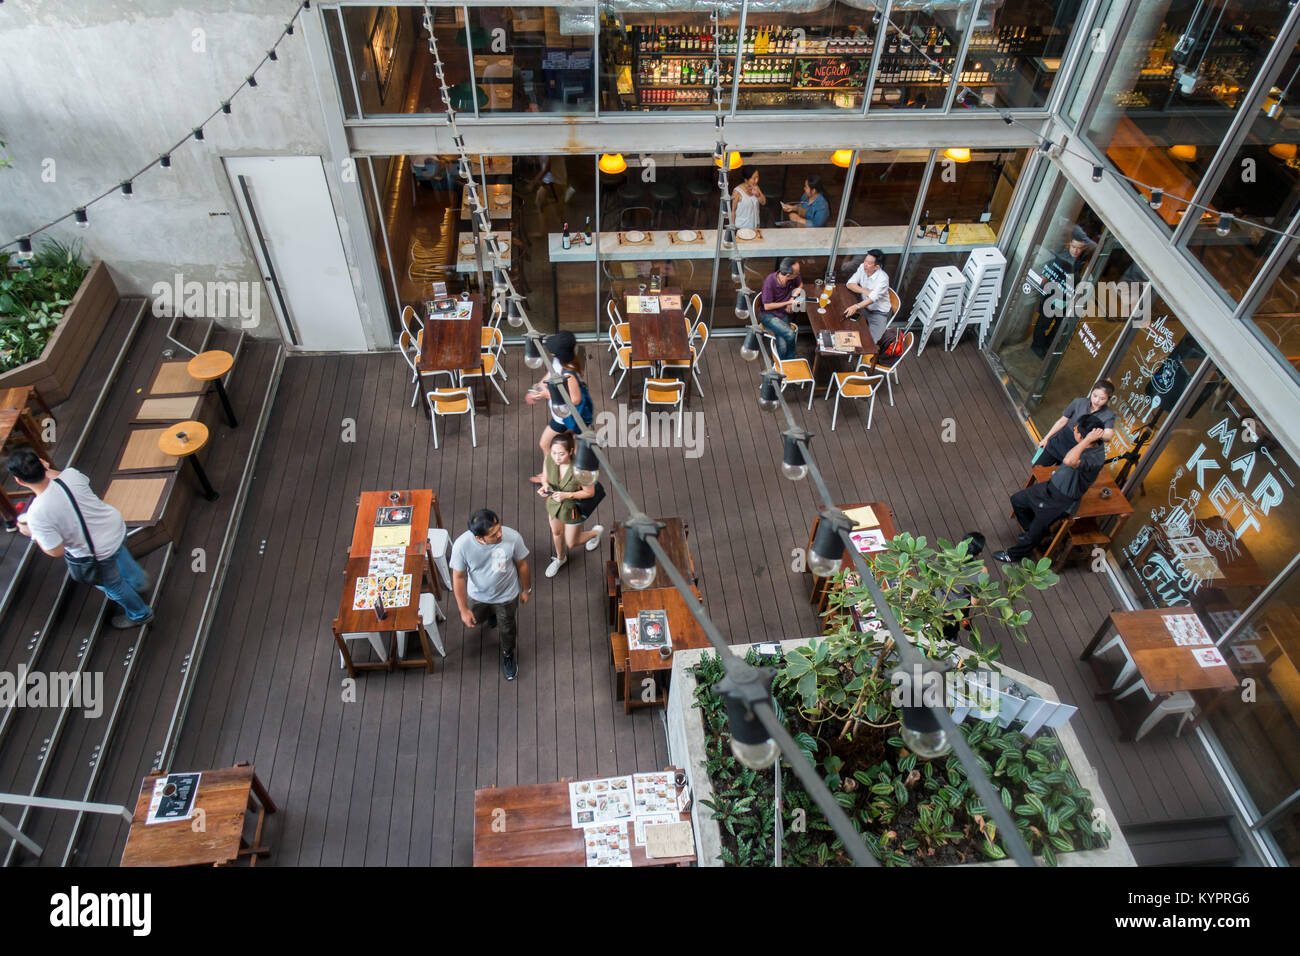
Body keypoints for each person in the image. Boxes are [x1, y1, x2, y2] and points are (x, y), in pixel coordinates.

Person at [7, 449, 153, 629]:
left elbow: (56, 550)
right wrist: (46, 470)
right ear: (42, 464)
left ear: (19, 480)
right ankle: (139, 581)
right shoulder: (71, 475)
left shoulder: (36, 514)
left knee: (113, 586)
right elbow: (61, 481)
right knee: (120, 552)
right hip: (115, 527)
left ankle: (140, 614)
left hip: (97, 552)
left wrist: (33, 534)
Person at [994, 415, 1108, 564]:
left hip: (1062, 499)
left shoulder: (1094, 457)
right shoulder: (1087, 444)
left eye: (1075, 429)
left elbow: (1069, 461)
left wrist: (1086, 440)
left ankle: (1014, 555)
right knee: (1017, 500)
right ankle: (1034, 534)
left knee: (1036, 529)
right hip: (1052, 486)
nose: (1073, 429)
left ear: (1081, 436)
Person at [450, 508, 532, 680]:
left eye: (499, 528)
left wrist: (526, 589)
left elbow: (522, 565)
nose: (500, 535)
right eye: (493, 534)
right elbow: (458, 577)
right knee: (477, 619)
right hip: (477, 596)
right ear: (479, 538)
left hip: (506, 596)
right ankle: (491, 615)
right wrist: (463, 609)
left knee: (507, 628)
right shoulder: (462, 546)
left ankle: (508, 653)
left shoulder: (513, 537)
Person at [526, 330, 592, 485]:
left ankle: (549, 475)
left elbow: (575, 400)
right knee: (574, 442)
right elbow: (549, 376)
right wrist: (537, 388)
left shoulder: (569, 374)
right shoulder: (558, 361)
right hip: (566, 416)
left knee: (545, 444)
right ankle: (578, 470)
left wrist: (547, 395)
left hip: (564, 417)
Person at [538, 431, 604, 578]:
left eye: (561, 454)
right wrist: (545, 486)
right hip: (554, 504)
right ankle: (561, 558)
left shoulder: (581, 469)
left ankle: (596, 533)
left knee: (572, 542)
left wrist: (567, 495)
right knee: (556, 532)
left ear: (571, 451)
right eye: (554, 452)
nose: (556, 457)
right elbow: (545, 478)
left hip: (573, 509)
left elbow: (589, 493)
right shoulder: (549, 458)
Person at [1030, 226, 1092, 357]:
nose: (1075, 250)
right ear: (1070, 244)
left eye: (1079, 248)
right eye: (1073, 246)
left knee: (1059, 326)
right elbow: (1047, 274)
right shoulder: (1061, 258)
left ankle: (1046, 345)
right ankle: (1037, 346)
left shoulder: (1082, 261)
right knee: (1043, 323)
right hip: (1053, 296)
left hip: (1066, 299)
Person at [1036, 381, 1116, 466]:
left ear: (1108, 399)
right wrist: (1046, 438)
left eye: (1102, 398)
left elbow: (1107, 435)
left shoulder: (1108, 415)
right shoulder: (1078, 402)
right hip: (1060, 441)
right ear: (1092, 392)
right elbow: (1062, 421)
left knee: (1058, 478)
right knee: (1037, 468)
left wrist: (1098, 434)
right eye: (1095, 395)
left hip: (1077, 451)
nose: (1096, 400)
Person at [844, 249, 894, 343]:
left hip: (878, 313)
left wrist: (856, 306)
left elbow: (872, 299)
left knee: (871, 343)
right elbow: (850, 284)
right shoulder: (862, 267)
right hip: (864, 308)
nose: (865, 264)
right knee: (844, 324)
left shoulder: (883, 279)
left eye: (869, 263)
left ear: (877, 267)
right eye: (865, 261)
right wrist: (865, 291)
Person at [760, 257, 803, 360]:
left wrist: (792, 297)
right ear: (788, 275)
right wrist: (788, 302)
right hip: (768, 316)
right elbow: (767, 306)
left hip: (782, 313)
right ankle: (788, 361)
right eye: (797, 272)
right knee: (790, 334)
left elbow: (800, 285)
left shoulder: (793, 277)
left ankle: (785, 362)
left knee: (783, 344)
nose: (799, 274)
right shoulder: (770, 282)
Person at [731, 165, 765, 232]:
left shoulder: (756, 187)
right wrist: (732, 229)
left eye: (757, 177)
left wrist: (757, 194)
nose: (756, 180)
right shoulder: (737, 192)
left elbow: (763, 202)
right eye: (754, 178)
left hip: (755, 226)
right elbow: (733, 211)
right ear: (746, 179)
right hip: (741, 227)